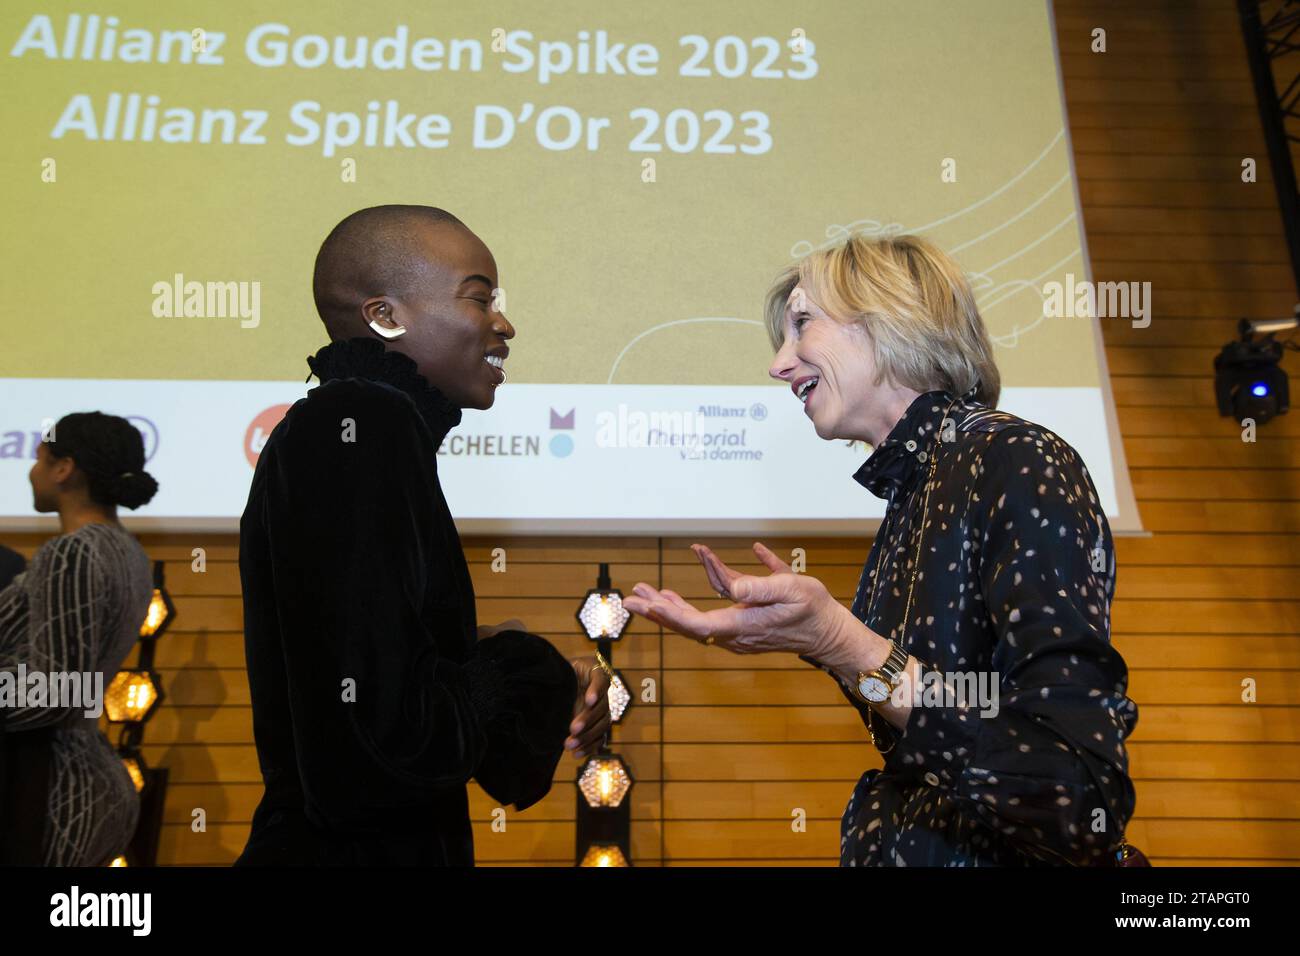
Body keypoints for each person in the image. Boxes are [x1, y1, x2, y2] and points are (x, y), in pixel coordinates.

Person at [623, 234, 1139, 866]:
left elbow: (1073, 789)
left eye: (802, 325)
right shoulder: (919, 490)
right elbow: (971, 702)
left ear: (889, 320)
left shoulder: (1011, 458)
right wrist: (816, 640)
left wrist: (843, 642)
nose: (779, 365)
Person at [236, 205, 611, 866]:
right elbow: (376, 737)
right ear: (384, 316)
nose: (504, 324)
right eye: (478, 297)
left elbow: (363, 658)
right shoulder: (361, 423)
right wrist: (529, 671)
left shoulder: (366, 425)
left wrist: (483, 652)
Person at [0, 412, 157, 865]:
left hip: (55, 791)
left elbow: (60, 690)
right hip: (84, 777)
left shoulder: (73, 551)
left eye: (39, 459)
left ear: (64, 468)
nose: (31, 472)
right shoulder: (125, 549)